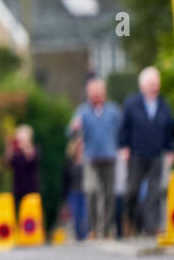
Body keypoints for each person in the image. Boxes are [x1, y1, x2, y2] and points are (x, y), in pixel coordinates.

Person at [117, 66, 174, 236]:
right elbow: (123, 127)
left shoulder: (164, 105)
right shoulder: (131, 103)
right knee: (132, 190)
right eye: (151, 83)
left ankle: (152, 226)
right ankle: (131, 220)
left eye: (156, 83)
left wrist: (170, 150)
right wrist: (123, 147)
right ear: (142, 85)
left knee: (154, 191)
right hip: (136, 153)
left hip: (156, 154)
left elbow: (170, 130)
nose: (154, 86)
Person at [68, 77, 122, 239]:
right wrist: (74, 128)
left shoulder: (114, 111)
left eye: (99, 93)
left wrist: (122, 148)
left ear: (104, 93)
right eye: (93, 93)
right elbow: (70, 133)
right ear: (88, 94)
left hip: (110, 157)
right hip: (91, 158)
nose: (97, 96)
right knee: (91, 191)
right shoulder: (82, 111)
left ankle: (106, 228)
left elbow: (122, 132)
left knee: (109, 194)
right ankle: (92, 228)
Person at [4, 124, 39, 214]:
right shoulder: (16, 154)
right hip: (18, 190)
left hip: (31, 190)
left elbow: (31, 158)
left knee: (31, 218)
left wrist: (25, 146)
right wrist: (9, 147)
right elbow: (8, 163)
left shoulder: (34, 150)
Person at [61, 138, 87, 242]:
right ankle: (78, 236)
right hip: (73, 193)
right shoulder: (69, 163)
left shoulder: (87, 161)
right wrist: (63, 199)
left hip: (84, 192)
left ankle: (85, 235)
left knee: (84, 215)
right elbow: (65, 181)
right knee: (75, 215)